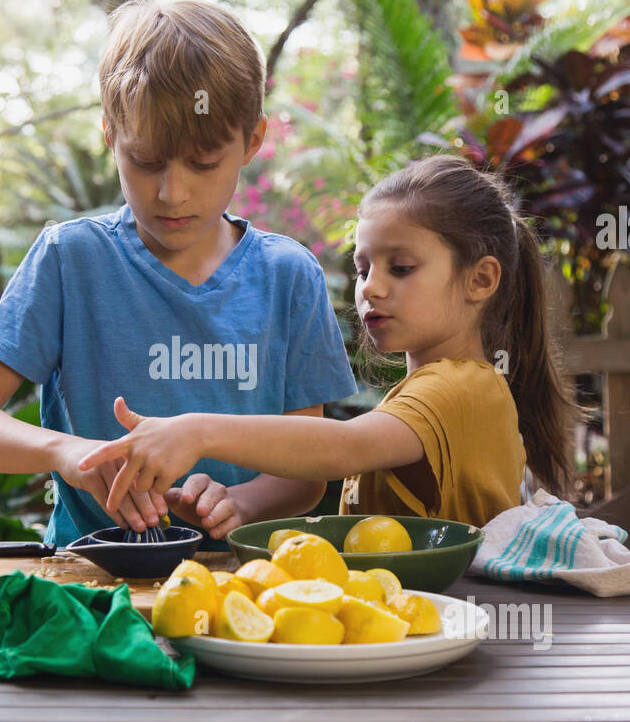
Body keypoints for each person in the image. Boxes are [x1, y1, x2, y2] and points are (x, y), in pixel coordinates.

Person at [0, 0, 357, 550]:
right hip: (90, 582)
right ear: (110, 136)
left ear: (252, 142)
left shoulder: (288, 275)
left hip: (243, 584)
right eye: (146, 161)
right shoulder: (70, 260)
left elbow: (308, 464)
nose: (171, 193)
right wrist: (69, 452)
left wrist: (243, 502)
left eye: (203, 164)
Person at [79, 154, 584, 529]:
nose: (372, 288)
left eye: (401, 268)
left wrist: (196, 432)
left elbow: (344, 447)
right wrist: (239, 504)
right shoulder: (432, 390)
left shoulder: (459, 388)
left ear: (481, 279)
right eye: (363, 269)